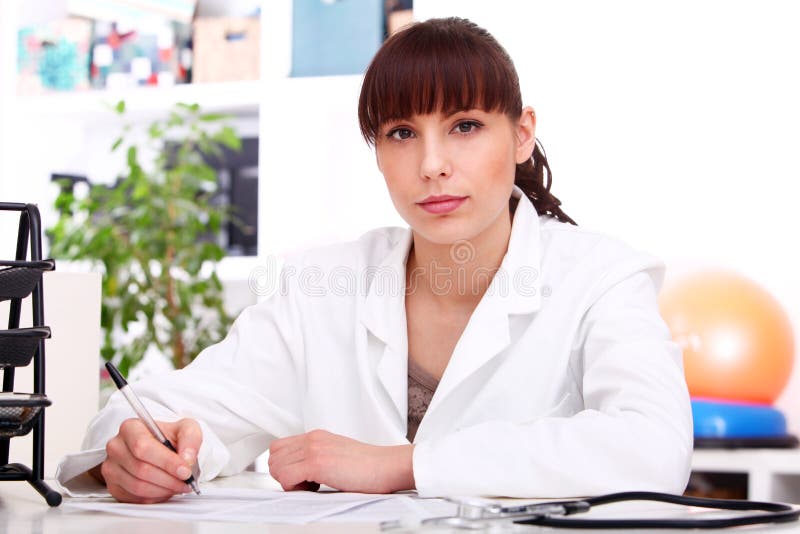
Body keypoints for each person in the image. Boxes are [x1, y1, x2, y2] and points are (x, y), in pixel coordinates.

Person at [56, 17, 692, 503]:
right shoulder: (322, 288)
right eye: (401, 133)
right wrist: (134, 449)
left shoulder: (601, 278)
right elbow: (159, 407)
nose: (432, 164)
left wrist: (403, 464)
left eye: (465, 126)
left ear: (521, 133)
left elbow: (655, 447)